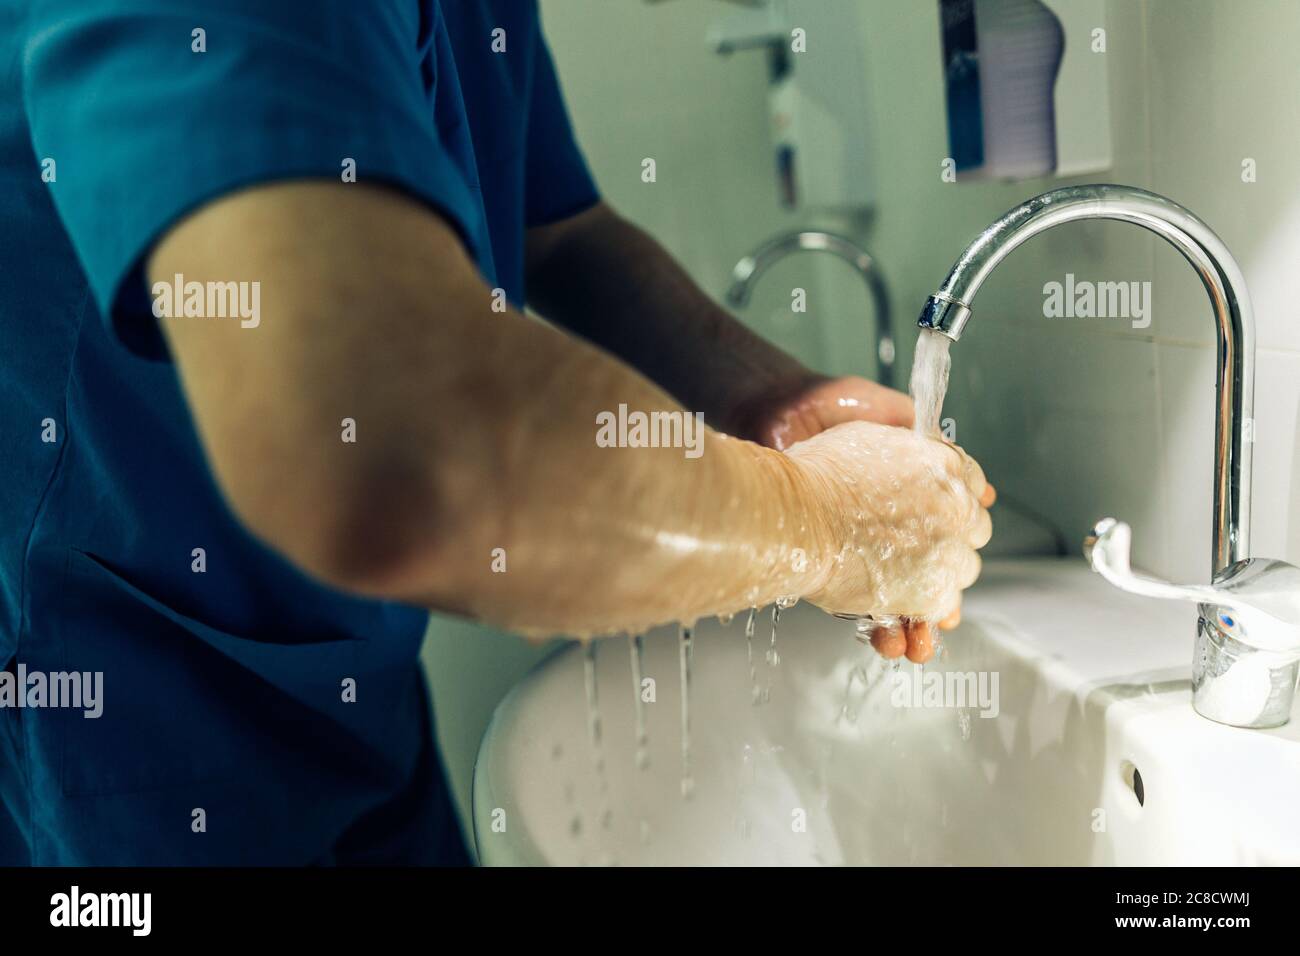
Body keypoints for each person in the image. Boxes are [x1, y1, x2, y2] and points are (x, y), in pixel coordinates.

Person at [0, 0, 990, 865]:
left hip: (350, 707)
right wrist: (826, 520)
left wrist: (772, 401)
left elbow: (559, 230)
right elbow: (406, 448)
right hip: (117, 737)